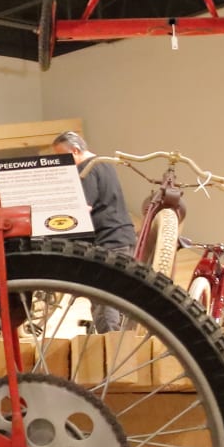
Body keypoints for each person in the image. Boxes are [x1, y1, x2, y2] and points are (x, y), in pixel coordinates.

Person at [53, 130, 135, 332]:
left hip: (107, 241)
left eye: (60, 156)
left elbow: (83, 208)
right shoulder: (104, 164)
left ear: (74, 151)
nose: (59, 162)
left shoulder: (86, 169)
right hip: (122, 237)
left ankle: (110, 345)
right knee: (118, 297)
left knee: (103, 297)